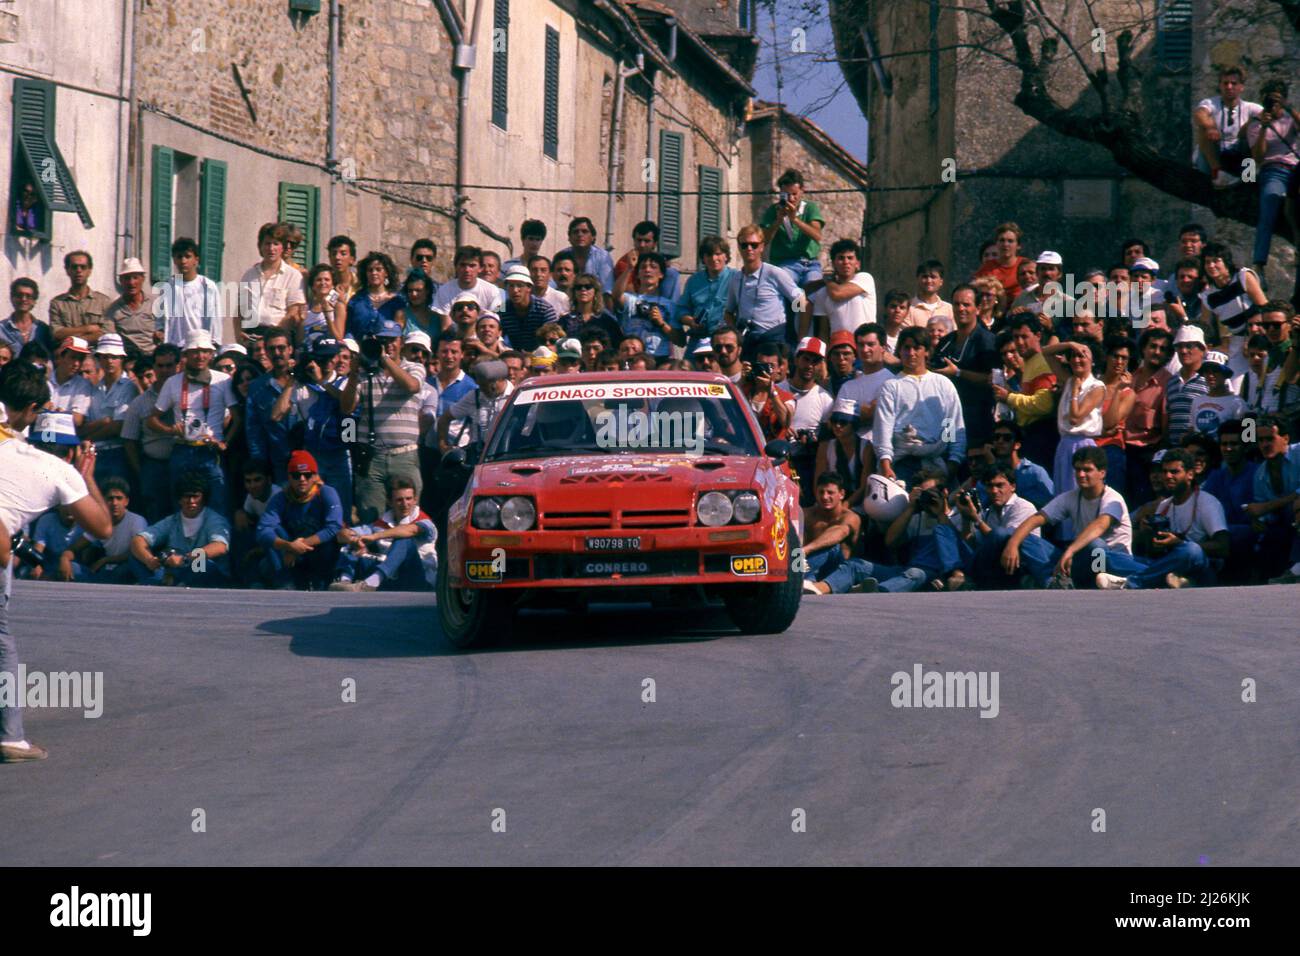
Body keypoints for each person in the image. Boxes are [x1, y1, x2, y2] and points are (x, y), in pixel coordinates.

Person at [0, 376, 112, 762]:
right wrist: (86, 478)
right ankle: (11, 737)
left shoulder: (9, 438)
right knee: (1, 642)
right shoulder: (62, 472)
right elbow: (103, 527)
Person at [999, 446, 1136, 589]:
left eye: (1087, 470)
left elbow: (1099, 526)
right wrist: (1013, 543)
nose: (1081, 474)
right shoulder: (1071, 497)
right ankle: (1052, 583)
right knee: (1026, 537)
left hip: (1112, 563)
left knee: (1097, 546)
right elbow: (1037, 518)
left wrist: (1070, 551)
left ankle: (1097, 585)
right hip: (1081, 558)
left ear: (1102, 473)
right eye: (1077, 469)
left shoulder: (1113, 498)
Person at [1096, 449, 1230, 589]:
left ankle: (1130, 583)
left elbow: (1223, 547)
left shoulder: (1207, 502)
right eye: (1164, 471)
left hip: (1200, 568)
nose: (1167, 476)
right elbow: (1154, 552)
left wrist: (1179, 543)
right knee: (1107, 557)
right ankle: (1174, 581)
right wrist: (1147, 535)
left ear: (1190, 474)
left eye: (1174, 472)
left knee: (1191, 550)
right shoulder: (1164, 506)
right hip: (1167, 565)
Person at [146, 329, 240, 517]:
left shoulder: (222, 380)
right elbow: (152, 419)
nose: (200, 356)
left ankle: (217, 545)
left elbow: (237, 417)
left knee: (217, 502)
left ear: (212, 354)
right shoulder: (173, 382)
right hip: (183, 449)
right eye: (195, 351)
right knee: (181, 505)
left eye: (205, 351)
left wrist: (225, 442)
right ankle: (182, 545)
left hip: (210, 451)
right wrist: (171, 429)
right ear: (185, 355)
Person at [872, 326, 966, 487]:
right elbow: (884, 429)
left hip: (937, 463)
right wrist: (886, 465)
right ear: (899, 351)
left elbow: (951, 425)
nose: (911, 353)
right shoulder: (891, 386)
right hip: (902, 464)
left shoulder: (943, 384)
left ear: (927, 351)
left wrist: (952, 463)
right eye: (906, 348)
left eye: (917, 348)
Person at [350, 320, 424, 524]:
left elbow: (411, 386)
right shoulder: (365, 373)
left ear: (401, 342)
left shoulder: (414, 367)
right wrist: (353, 374)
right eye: (382, 341)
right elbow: (347, 408)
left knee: (408, 517)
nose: (388, 345)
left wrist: (384, 359)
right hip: (372, 456)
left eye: (392, 340)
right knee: (371, 516)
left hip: (404, 455)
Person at [254, 450, 343, 590]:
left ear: (315, 476)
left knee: (333, 540)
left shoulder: (326, 492)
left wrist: (298, 547)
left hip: (318, 553)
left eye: (307, 475)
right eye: (296, 475)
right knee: (273, 534)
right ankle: (284, 582)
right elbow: (262, 530)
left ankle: (321, 582)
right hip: (290, 557)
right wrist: (288, 546)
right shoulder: (281, 497)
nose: (302, 479)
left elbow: (334, 526)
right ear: (289, 477)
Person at [331, 478, 436, 592]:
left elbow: (409, 530)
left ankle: (371, 583)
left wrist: (375, 536)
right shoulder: (381, 523)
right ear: (390, 502)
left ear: (415, 500)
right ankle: (344, 581)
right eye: (399, 500)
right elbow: (342, 535)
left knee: (404, 540)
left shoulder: (425, 522)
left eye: (409, 499)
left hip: (417, 577)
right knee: (353, 542)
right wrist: (351, 538)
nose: (405, 504)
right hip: (390, 576)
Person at [129, 472, 231, 587]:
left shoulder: (214, 519)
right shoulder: (172, 520)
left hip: (205, 574)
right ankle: (156, 585)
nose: (191, 501)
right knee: (136, 558)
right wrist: (149, 560)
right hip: (176, 572)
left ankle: (166, 584)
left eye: (195, 496)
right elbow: (138, 540)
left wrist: (185, 559)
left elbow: (220, 546)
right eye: (187, 496)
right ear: (179, 499)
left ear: (203, 498)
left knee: (203, 563)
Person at [932, 284, 998, 454]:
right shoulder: (946, 341)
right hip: (947, 417)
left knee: (971, 463)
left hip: (975, 418)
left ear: (978, 308)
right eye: (956, 304)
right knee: (948, 454)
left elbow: (993, 380)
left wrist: (959, 373)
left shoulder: (987, 341)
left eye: (966, 304)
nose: (960, 309)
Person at [724, 224, 803, 358]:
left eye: (754, 245)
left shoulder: (774, 273)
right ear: (738, 247)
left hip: (773, 339)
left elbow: (800, 300)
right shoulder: (736, 278)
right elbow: (728, 312)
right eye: (744, 245)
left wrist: (797, 330)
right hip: (748, 341)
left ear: (762, 246)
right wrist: (736, 333)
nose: (749, 249)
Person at [121, 345, 180, 522]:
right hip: (154, 466)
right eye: (160, 366)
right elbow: (129, 440)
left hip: (183, 460)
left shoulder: (188, 395)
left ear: (178, 366)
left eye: (169, 365)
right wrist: (141, 471)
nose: (165, 370)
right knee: (156, 516)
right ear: (154, 367)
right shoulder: (139, 403)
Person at [959, 461, 1040, 589]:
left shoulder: (1023, 506)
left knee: (1000, 533)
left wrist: (977, 519)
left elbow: (1001, 540)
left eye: (1000, 485)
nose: (994, 491)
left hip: (1018, 565)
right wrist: (966, 517)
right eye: (990, 486)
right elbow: (973, 544)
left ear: (1012, 486)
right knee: (944, 531)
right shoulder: (988, 512)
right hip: (994, 565)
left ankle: (970, 578)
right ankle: (956, 575)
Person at [800, 473, 883, 595]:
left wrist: (806, 549)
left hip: (839, 569)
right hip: (809, 567)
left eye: (830, 492)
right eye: (821, 492)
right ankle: (805, 581)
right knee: (795, 551)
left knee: (832, 546)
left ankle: (807, 582)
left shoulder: (851, 517)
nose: (825, 496)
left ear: (841, 494)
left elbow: (840, 531)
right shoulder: (806, 514)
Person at [56, 476, 146, 584]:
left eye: (119, 498)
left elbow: (138, 553)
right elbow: (74, 548)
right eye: (110, 498)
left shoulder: (137, 521)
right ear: (102, 501)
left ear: (126, 501)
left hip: (126, 570)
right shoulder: (100, 522)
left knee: (127, 568)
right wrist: (64, 559)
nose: (115, 503)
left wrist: (106, 560)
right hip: (106, 572)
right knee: (73, 567)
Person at [1041, 339, 1104, 493]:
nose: (1077, 360)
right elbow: (1045, 352)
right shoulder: (1068, 380)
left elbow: (1075, 418)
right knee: (1063, 491)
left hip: (1083, 444)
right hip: (1064, 443)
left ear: (1093, 361)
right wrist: (1070, 344)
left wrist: (1075, 392)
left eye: (1082, 355)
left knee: (1079, 490)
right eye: (1073, 356)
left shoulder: (1097, 387)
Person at [82, 333, 139, 486]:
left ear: (122, 359)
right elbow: (84, 425)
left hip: (117, 453)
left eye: (114, 357)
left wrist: (88, 437)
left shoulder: (128, 386)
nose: (109, 361)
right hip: (94, 452)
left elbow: (118, 427)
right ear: (99, 359)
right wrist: (105, 421)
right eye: (105, 357)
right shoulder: (94, 388)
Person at [1193, 65, 1261, 188]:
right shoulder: (1210, 103)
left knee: (1251, 133)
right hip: (1215, 154)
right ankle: (1217, 173)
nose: (1229, 87)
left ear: (1241, 87)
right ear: (1220, 86)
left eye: (1233, 83)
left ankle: (1248, 180)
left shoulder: (1251, 108)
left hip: (1240, 155)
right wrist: (1210, 127)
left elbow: (1266, 116)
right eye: (1225, 83)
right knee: (1204, 128)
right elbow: (1200, 113)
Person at [238, 222, 307, 338]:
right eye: (267, 244)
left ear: (282, 247)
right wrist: (240, 336)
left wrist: (270, 337)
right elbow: (239, 311)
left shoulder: (293, 276)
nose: (271, 248)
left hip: (277, 337)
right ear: (260, 246)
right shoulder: (249, 275)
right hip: (250, 335)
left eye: (276, 244)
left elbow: (293, 312)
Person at [759, 169, 825, 288]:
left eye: (794, 194)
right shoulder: (773, 211)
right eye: (786, 194)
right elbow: (764, 240)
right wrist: (778, 221)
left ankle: (803, 306)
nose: (791, 199)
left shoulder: (810, 208)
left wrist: (795, 219)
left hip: (810, 264)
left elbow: (817, 235)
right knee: (783, 287)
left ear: (802, 191)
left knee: (815, 291)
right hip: (786, 263)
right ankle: (793, 306)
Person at [157, 238, 224, 349]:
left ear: (196, 260)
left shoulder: (207, 286)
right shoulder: (168, 286)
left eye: (187, 256)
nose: (183, 261)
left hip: (199, 346)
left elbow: (215, 319)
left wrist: (214, 344)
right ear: (174, 260)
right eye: (179, 257)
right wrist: (159, 331)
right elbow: (160, 318)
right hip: (175, 346)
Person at [616, 252, 682, 362]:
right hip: (633, 357)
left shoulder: (669, 305)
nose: (647, 270)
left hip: (659, 358)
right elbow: (616, 295)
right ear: (637, 274)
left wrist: (662, 323)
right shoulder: (630, 299)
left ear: (661, 274)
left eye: (653, 267)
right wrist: (629, 269)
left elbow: (680, 341)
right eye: (643, 267)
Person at [809, 239, 876, 341]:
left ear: (857, 264)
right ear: (834, 263)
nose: (846, 262)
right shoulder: (822, 293)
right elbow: (823, 332)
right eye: (841, 258)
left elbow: (837, 294)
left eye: (850, 258)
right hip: (839, 350)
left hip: (865, 345)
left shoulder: (865, 278)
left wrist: (828, 279)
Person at [677, 236, 736, 346]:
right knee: (687, 364)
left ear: (726, 256)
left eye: (718, 254)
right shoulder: (694, 281)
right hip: (698, 338)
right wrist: (690, 321)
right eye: (709, 255)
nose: (714, 258)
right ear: (703, 258)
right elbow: (681, 309)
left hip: (726, 340)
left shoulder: (736, 278)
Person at [48, 250, 113, 345]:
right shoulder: (57, 303)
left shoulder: (103, 301)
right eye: (74, 267)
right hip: (68, 355)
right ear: (67, 270)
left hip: (96, 354)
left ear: (89, 270)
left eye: (83, 267)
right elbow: (56, 332)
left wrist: (75, 340)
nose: (79, 270)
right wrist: (88, 328)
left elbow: (107, 333)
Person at [341, 251, 403, 341]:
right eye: (370, 270)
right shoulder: (356, 300)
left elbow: (399, 331)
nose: (374, 273)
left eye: (378, 269)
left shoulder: (396, 302)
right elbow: (348, 330)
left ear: (386, 272)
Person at [612, 220, 682, 300]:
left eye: (646, 241)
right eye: (639, 240)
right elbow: (630, 293)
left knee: (672, 273)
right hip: (636, 302)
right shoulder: (624, 263)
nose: (642, 245)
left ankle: (670, 308)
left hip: (659, 301)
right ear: (634, 241)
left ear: (655, 243)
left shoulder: (658, 259)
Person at [1167, 324, 1211, 446]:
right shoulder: (1171, 381)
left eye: (1189, 346)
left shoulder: (1211, 380)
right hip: (1174, 449)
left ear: (1203, 350)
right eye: (1179, 346)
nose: (1183, 351)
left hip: (1201, 449)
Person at [498, 265, 557, 352]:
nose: (515, 290)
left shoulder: (544, 309)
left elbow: (552, 341)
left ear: (529, 288)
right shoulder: (502, 309)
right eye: (511, 286)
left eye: (519, 285)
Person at [104, 258, 154, 357]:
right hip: (128, 358)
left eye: (135, 277)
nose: (131, 283)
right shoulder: (113, 310)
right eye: (127, 278)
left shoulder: (155, 304)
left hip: (153, 357)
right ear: (121, 281)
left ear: (142, 279)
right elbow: (110, 337)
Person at [559, 217, 616, 297]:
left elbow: (607, 290)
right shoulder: (562, 256)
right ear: (569, 237)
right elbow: (553, 285)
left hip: (596, 303)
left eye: (584, 231)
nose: (580, 234)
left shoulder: (603, 257)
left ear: (593, 237)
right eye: (576, 232)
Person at [975, 223, 1033, 301]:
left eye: (1010, 241)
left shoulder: (1025, 265)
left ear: (1018, 246)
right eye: (1002, 240)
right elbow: (973, 288)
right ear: (996, 244)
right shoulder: (988, 267)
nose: (1005, 244)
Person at [561, 274, 622, 343]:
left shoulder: (606, 320)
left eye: (588, 287)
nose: (583, 289)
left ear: (595, 291)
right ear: (574, 292)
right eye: (579, 287)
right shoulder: (565, 321)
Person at [1, 278, 53, 357]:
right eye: (19, 295)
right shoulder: (1, 329)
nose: (23, 299)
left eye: (28, 296)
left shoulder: (43, 329)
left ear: (34, 300)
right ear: (12, 298)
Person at [395, 268, 438, 341]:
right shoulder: (402, 315)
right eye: (410, 291)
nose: (414, 294)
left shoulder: (436, 317)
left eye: (418, 290)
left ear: (427, 291)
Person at [327, 235, 359, 304]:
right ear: (329, 257)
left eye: (343, 254)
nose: (337, 257)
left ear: (352, 259)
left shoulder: (360, 284)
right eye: (334, 254)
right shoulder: (325, 285)